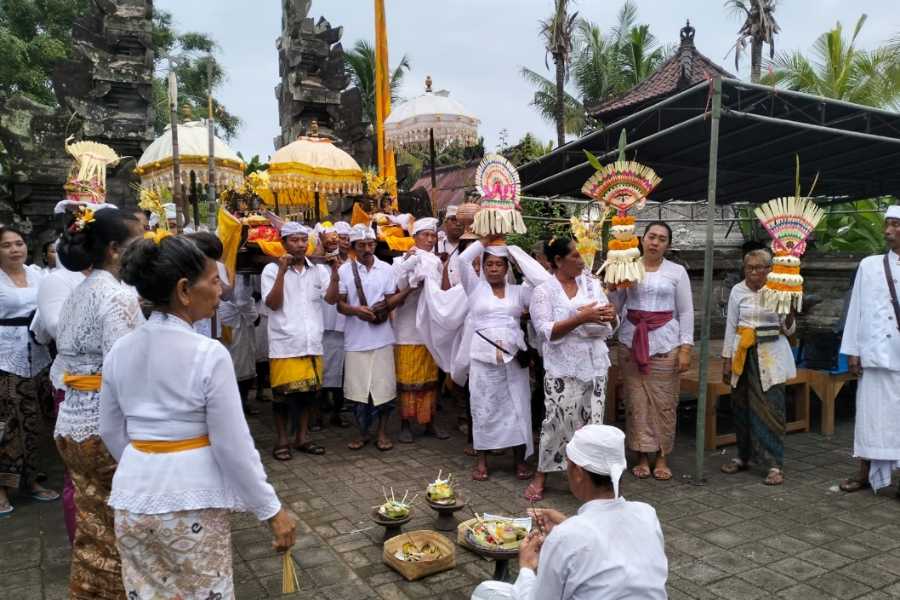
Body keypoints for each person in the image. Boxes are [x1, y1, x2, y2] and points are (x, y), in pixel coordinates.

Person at [100, 235, 295, 598]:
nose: (220, 289)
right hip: (191, 504)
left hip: (131, 500)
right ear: (184, 290)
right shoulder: (208, 353)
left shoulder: (119, 350)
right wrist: (271, 510)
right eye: (214, 280)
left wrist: (147, 462)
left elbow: (110, 429)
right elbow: (233, 447)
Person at [52, 207, 146, 598]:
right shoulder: (119, 296)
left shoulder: (78, 292)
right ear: (113, 250)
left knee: (94, 528)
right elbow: (127, 374)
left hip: (71, 426)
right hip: (104, 431)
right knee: (124, 531)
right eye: (138, 241)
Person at [470, 425, 668, 600]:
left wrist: (527, 567)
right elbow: (609, 549)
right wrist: (567, 524)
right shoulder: (647, 513)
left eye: (568, 464)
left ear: (578, 473)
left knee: (485, 591)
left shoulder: (566, 536)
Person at [526, 237, 617, 501]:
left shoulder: (591, 284)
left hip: (595, 362)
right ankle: (542, 473)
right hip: (562, 365)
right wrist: (580, 318)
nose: (582, 261)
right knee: (556, 421)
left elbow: (609, 323)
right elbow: (546, 332)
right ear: (558, 260)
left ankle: (590, 480)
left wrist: (610, 315)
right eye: (575, 256)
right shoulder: (544, 291)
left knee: (592, 423)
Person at [452, 239, 545, 481]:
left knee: (517, 407)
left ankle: (519, 460)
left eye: (499, 264)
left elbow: (542, 281)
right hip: (482, 359)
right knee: (483, 408)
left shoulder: (519, 291)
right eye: (489, 264)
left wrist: (514, 252)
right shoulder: (475, 288)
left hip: (513, 359)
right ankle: (482, 461)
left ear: (506, 267)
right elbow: (462, 260)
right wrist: (484, 241)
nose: (493, 269)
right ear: (483, 267)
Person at [613, 221, 693, 481]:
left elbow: (686, 311)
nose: (655, 242)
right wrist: (611, 287)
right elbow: (616, 306)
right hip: (631, 341)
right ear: (642, 239)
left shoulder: (677, 272)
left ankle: (662, 456)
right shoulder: (627, 266)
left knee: (664, 402)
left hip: (666, 343)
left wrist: (686, 348)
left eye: (661, 239)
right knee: (636, 402)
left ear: (668, 245)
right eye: (651, 237)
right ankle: (641, 456)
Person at [262, 222, 337, 460]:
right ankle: (282, 440)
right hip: (285, 344)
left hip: (312, 342)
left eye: (304, 240)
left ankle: (303, 437)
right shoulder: (271, 270)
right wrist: (282, 272)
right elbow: (273, 304)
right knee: (283, 397)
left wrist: (335, 273)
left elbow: (332, 300)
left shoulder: (318, 270)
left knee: (309, 395)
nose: (300, 245)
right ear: (283, 243)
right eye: (294, 240)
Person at [720, 248, 796, 486]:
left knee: (771, 410)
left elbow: (789, 330)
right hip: (742, 354)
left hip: (770, 354)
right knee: (741, 406)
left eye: (758, 268)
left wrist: (789, 309)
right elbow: (731, 326)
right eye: (749, 268)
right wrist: (726, 359)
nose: (753, 272)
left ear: (769, 269)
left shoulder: (778, 290)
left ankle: (774, 464)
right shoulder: (737, 290)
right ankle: (743, 456)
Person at [839, 205, 900, 495]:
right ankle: (864, 472)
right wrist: (852, 351)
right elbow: (856, 310)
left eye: (895, 225)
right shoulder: (869, 265)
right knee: (870, 416)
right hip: (874, 354)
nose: (888, 230)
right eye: (887, 224)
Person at [334, 224, 410, 451]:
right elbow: (339, 305)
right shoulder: (344, 270)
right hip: (355, 340)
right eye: (362, 245)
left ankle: (382, 432)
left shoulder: (386, 269)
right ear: (353, 247)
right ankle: (362, 433)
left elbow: (390, 299)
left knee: (384, 389)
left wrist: (406, 292)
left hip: (383, 338)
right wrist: (356, 311)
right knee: (357, 392)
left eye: (371, 244)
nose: (367, 249)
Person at [30, 246, 89, 541]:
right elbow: (49, 329)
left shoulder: (121, 280)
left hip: (119, 386)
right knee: (79, 472)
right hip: (78, 386)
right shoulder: (58, 281)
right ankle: (82, 543)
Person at [0, 226, 57, 517]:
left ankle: (31, 480)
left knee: (37, 420)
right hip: (5, 358)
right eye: (6, 245)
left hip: (39, 354)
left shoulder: (38, 275)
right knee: (8, 425)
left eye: (19, 243)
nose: (15, 249)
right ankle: (2, 488)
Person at [392, 217, 449, 442]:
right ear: (414, 237)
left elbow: (440, 291)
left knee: (430, 380)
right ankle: (405, 423)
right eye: (425, 235)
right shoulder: (401, 260)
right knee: (407, 381)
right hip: (407, 329)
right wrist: (411, 271)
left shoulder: (436, 262)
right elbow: (396, 288)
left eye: (433, 235)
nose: (430, 239)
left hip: (428, 330)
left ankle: (429, 422)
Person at [313, 223, 350, 428]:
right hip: (321, 327)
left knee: (339, 375)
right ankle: (317, 415)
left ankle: (337, 413)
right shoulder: (316, 266)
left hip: (342, 327)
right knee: (320, 372)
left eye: (339, 239)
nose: (335, 242)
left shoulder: (349, 264)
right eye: (329, 239)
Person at [219, 273, 260, 416]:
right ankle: (232, 404)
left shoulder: (246, 271)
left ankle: (242, 402)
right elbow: (239, 300)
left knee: (245, 363)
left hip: (243, 319)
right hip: (229, 319)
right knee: (232, 363)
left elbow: (255, 291)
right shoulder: (224, 269)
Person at [438, 205, 465, 287]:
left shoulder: (470, 247)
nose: (458, 223)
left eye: (461, 221)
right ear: (445, 223)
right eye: (453, 219)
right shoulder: (437, 246)